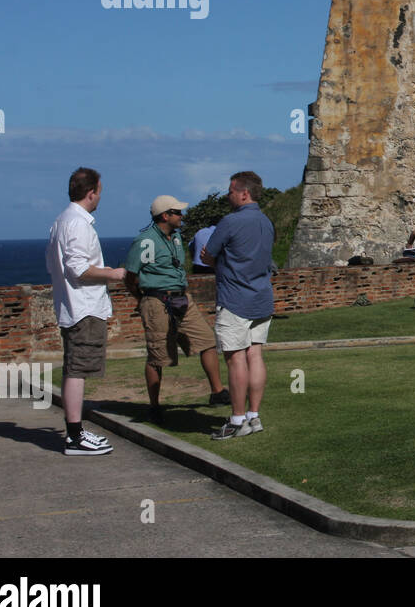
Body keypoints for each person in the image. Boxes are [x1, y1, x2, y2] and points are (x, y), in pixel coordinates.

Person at [124, 196, 229, 425]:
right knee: (157, 356)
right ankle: (154, 406)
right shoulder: (145, 241)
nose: (182, 216)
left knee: (207, 340)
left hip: (182, 298)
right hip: (156, 300)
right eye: (177, 212)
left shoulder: (178, 238)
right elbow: (130, 276)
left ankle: (217, 391)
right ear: (165, 216)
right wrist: (142, 299)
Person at [45, 167, 125, 456]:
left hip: (71, 305)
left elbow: (55, 266)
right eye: (100, 191)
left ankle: (74, 431)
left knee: (73, 369)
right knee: (78, 370)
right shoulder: (77, 224)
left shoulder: (61, 221)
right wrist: (113, 274)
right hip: (83, 307)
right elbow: (79, 269)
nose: (100, 196)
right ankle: (75, 437)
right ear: (92, 193)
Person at [202, 171, 275, 439]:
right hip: (261, 298)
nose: (228, 194)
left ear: (244, 193)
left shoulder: (230, 222)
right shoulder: (267, 222)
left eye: (232, 190)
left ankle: (237, 420)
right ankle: (253, 416)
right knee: (255, 355)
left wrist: (218, 261)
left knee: (235, 359)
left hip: (234, 299)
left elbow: (208, 255)